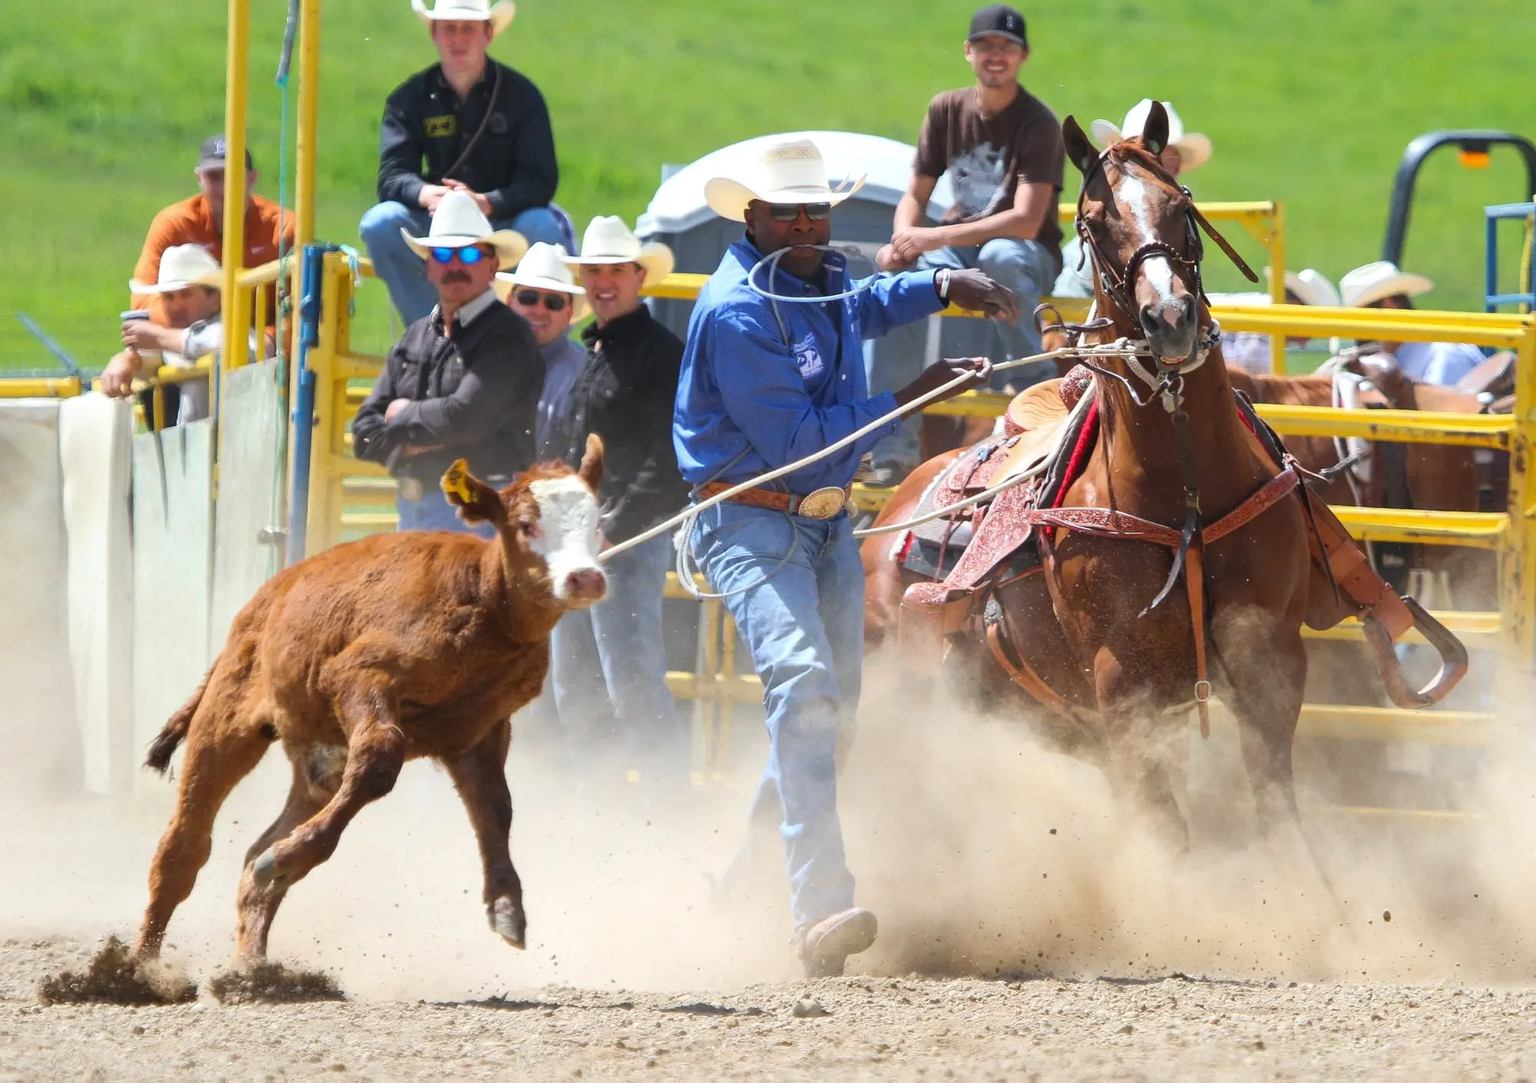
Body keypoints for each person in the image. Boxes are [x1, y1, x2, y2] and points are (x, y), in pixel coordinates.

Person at [675, 137, 1016, 976]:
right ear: (751, 218)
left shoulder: (812, 274)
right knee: (807, 687)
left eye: (816, 211)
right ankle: (818, 905)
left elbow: (861, 305)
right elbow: (805, 446)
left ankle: (749, 881)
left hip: (822, 526)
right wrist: (913, 393)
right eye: (788, 212)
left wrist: (937, 282)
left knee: (831, 713)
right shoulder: (736, 313)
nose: (805, 225)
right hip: (752, 522)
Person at [866, 3, 1063, 483]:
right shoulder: (946, 109)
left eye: (1007, 48)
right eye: (986, 46)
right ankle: (890, 442)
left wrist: (929, 235)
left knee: (1001, 258)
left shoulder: (1039, 122)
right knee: (900, 278)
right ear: (968, 52)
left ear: (1024, 57)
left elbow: (1024, 220)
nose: (996, 56)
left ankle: (1036, 394)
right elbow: (916, 194)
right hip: (962, 243)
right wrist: (901, 242)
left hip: (1026, 251)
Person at [546, 216, 690, 783]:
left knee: (628, 681)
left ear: (637, 277)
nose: (604, 282)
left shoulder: (656, 354)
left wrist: (616, 527)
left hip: (620, 538)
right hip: (584, 535)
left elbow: (669, 454)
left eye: (614, 272)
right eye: (594, 272)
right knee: (576, 684)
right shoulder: (602, 349)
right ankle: (605, 810)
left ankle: (664, 808)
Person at [360, 0, 567, 325]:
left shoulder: (522, 96)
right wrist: (427, 194)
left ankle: (526, 343)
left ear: (488, 33)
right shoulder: (408, 98)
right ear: (434, 33)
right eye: (449, 28)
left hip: (503, 223)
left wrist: (487, 202)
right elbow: (391, 176)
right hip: (436, 223)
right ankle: (431, 334)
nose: (459, 38)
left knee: (541, 226)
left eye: (468, 28)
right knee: (380, 224)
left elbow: (541, 180)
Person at [352, 189, 538, 534]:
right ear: (429, 267)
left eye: (468, 254)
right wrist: (427, 433)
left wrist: (400, 416)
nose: (454, 265)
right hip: (413, 508)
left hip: (479, 509)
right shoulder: (416, 335)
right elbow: (363, 431)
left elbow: (468, 417)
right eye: (442, 254)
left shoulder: (508, 335)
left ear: (493, 266)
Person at [128, 134, 294, 425]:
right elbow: (143, 301)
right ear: (199, 179)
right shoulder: (174, 223)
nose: (223, 186)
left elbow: (307, 304)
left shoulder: (284, 226)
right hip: (196, 343)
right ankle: (188, 459)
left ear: (252, 179)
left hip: (261, 348)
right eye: (214, 176)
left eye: (232, 176)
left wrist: (269, 341)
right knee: (159, 363)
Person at [1052, 98, 1212, 299]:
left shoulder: (1178, 230)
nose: (1153, 165)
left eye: (1164, 158)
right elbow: (1068, 301)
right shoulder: (1097, 236)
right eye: (1142, 156)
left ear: (1177, 167)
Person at [101, 245, 250, 423]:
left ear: (216, 300)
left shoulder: (233, 332)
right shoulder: (170, 341)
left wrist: (160, 337)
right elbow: (155, 356)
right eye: (168, 297)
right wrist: (127, 359)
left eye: (186, 294)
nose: (176, 306)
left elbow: (232, 343)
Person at [495, 242, 588, 460]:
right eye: (528, 297)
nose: (539, 310)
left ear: (568, 314)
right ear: (510, 301)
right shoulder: (482, 360)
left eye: (553, 302)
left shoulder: (584, 376)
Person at [1339, 260, 1485, 387]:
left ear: (1388, 305)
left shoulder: (1443, 354)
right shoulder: (1398, 356)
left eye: (1360, 316)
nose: (1357, 327)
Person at [1219, 267, 1341, 373]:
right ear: (1296, 307)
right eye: (1311, 329)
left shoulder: (1257, 309)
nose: (1304, 343)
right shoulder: (1261, 334)